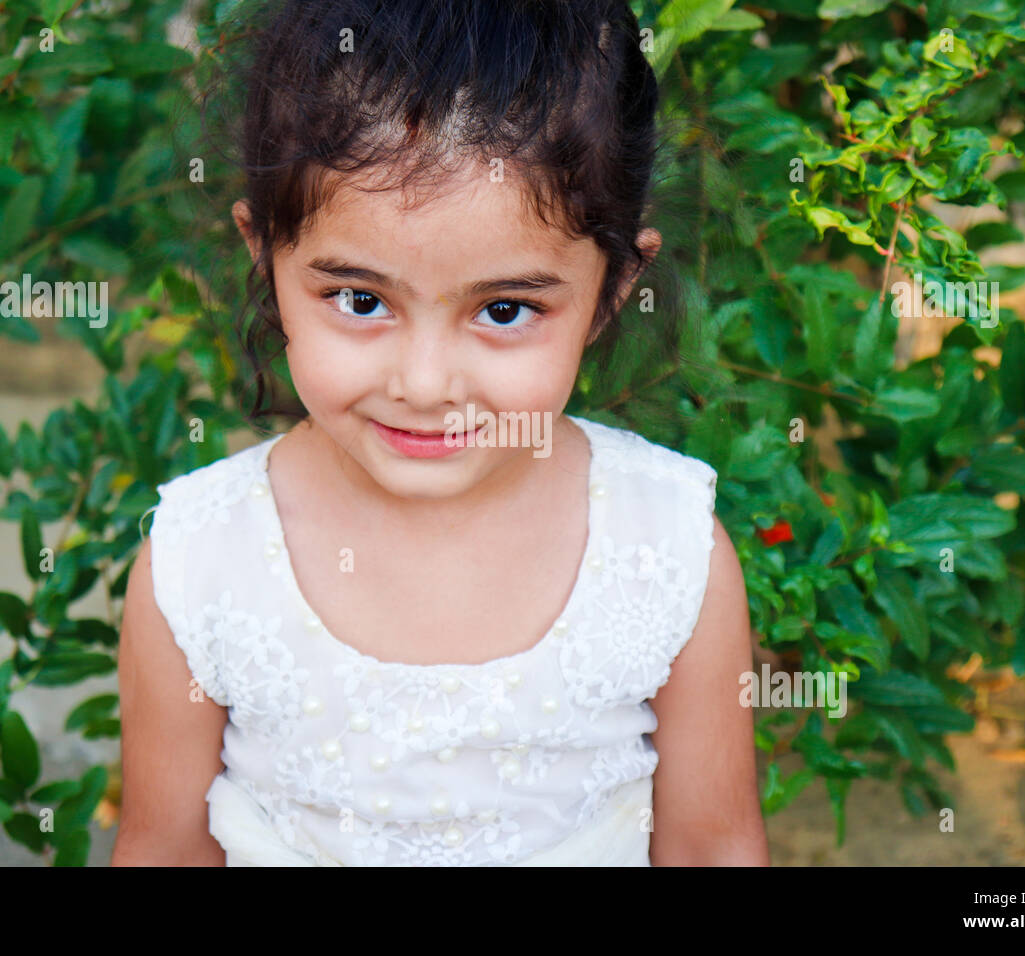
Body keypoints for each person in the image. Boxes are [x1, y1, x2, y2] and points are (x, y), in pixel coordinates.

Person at [112, 0, 767, 866]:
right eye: (360, 300)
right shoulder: (200, 564)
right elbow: (162, 849)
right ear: (265, 259)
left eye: (504, 310)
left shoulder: (669, 552)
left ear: (613, 289)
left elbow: (713, 847)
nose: (424, 384)